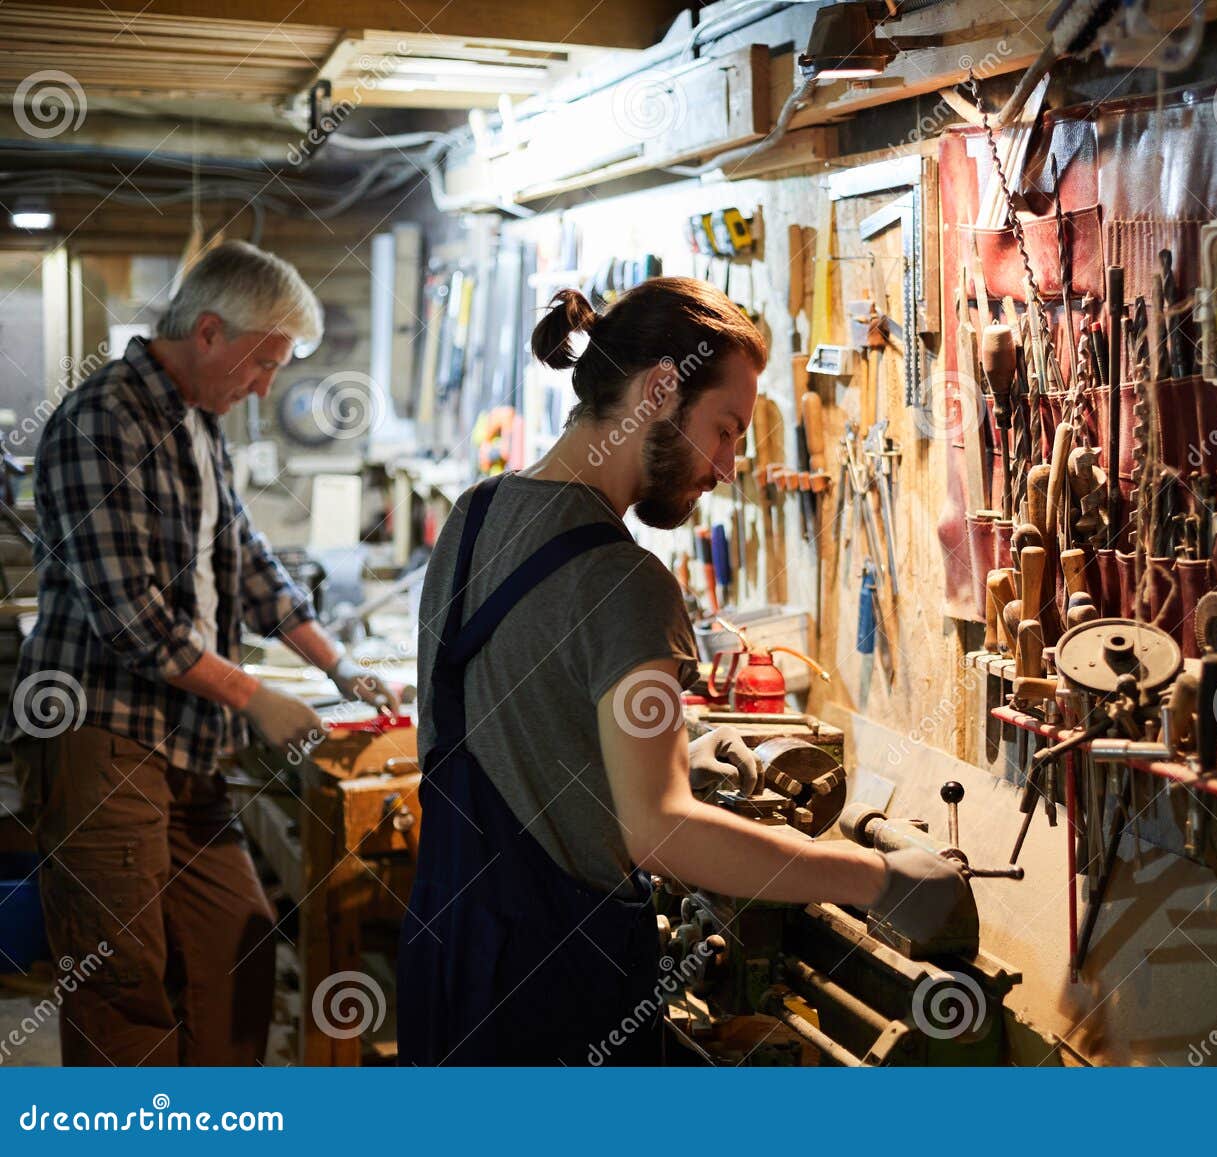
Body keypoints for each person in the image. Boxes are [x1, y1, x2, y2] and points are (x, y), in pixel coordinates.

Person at [398, 277, 964, 1066]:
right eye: (726, 429)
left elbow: (503, 728)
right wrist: (877, 877)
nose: (728, 465)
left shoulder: (474, 514)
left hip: (446, 966)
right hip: (555, 1000)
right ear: (661, 390)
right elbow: (662, 832)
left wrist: (661, 757)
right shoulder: (625, 582)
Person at [2, 240, 394, 1065]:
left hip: (185, 745)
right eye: (262, 363)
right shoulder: (102, 420)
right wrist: (255, 697)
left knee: (239, 948)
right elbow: (133, 616)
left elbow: (247, 560)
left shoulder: (197, 423)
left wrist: (335, 664)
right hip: (102, 740)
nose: (265, 387)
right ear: (209, 332)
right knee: (125, 987)